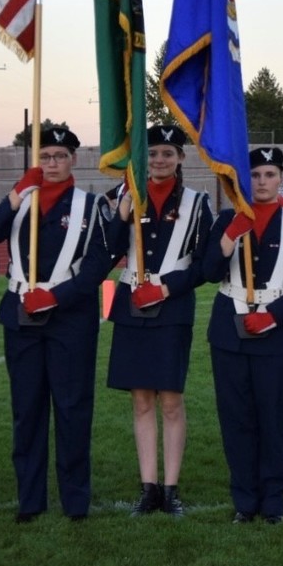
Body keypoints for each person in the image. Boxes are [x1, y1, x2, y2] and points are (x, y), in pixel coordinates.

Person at [0, 125, 106, 523]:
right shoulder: (21, 199)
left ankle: (75, 501)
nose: (52, 164)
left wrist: (57, 296)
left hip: (70, 318)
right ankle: (30, 499)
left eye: (60, 156)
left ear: (74, 159)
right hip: (22, 317)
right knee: (27, 411)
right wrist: (18, 192)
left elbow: (96, 268)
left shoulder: (91, 206)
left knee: (72, 409)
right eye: (45, 157)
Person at [200, 147, 283, 525]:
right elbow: (207, 271)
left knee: (274, 417)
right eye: (254, 176)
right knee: (236, 418)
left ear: (281, 178)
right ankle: (244, 498)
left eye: (269, 175)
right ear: (244, 181)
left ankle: (273, 499)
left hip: (278, 334)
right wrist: (228, 239)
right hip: (230, 331)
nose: (262, 182)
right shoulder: (226, 219)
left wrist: (274, 315)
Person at [102, 124, 213, 517]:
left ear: (181, 158)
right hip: (131, 305)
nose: (159, 160)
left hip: (172, 308)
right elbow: (107, 251)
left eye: (168, 153)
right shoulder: (125, 194)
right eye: (152, 153)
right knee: (141, 400)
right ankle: (148, 488)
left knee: (170, 401)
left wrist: (166, 288)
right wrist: (122, 215)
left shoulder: (199, 203)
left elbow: (203, 266)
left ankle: (171, 489)